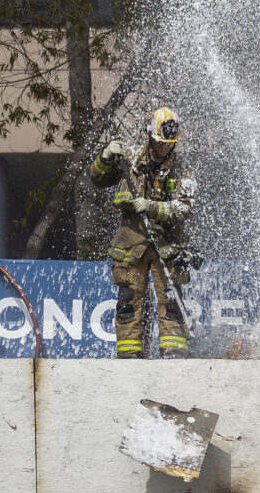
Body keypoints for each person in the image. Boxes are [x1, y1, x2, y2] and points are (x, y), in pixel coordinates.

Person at [89, 107, 197, 359]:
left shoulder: (183, 169)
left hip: (166, 246)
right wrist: (105, 156)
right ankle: (129, 359)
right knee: (128, 302)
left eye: (169, 144)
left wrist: (151, 207)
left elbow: (184, 207)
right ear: (150, 136)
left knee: (171, 303)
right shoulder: (129, 157)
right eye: (160, 142)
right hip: (131, 242)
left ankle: (173, 357)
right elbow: (97, 178)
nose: (164, 148)